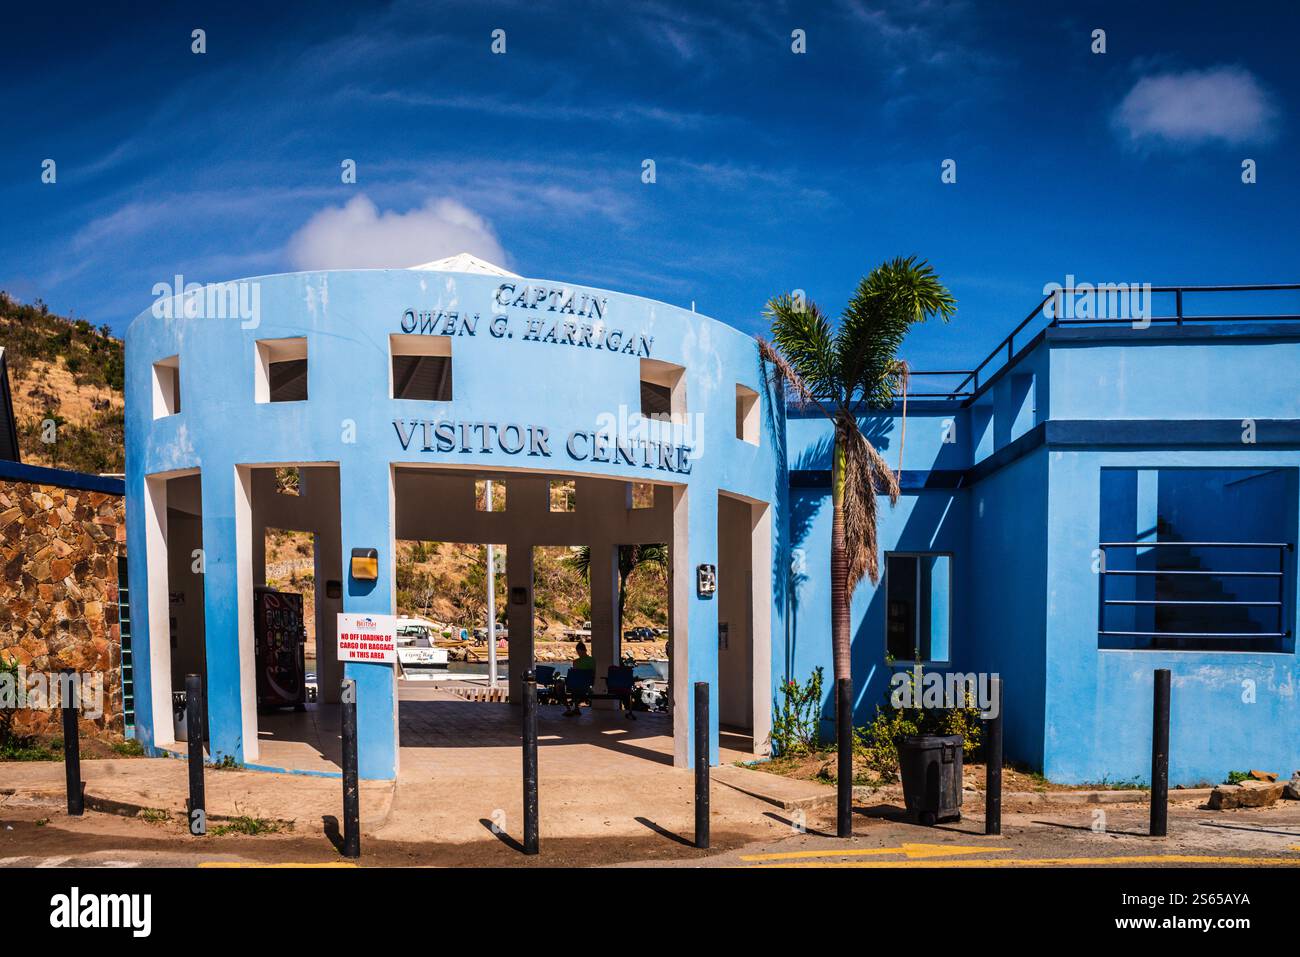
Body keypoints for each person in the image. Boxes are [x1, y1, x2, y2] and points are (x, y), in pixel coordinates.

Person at [563, 642, 596, 716]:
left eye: (578, 651)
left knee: (565, 688)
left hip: (576, 685)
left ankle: (573, 709)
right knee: (578, 687)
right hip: (586, 685)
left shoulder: (576, 662)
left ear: (581, 650)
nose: (578, 653)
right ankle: (576, 709)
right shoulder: (592, 660)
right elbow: (593, 673)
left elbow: (575, 675)